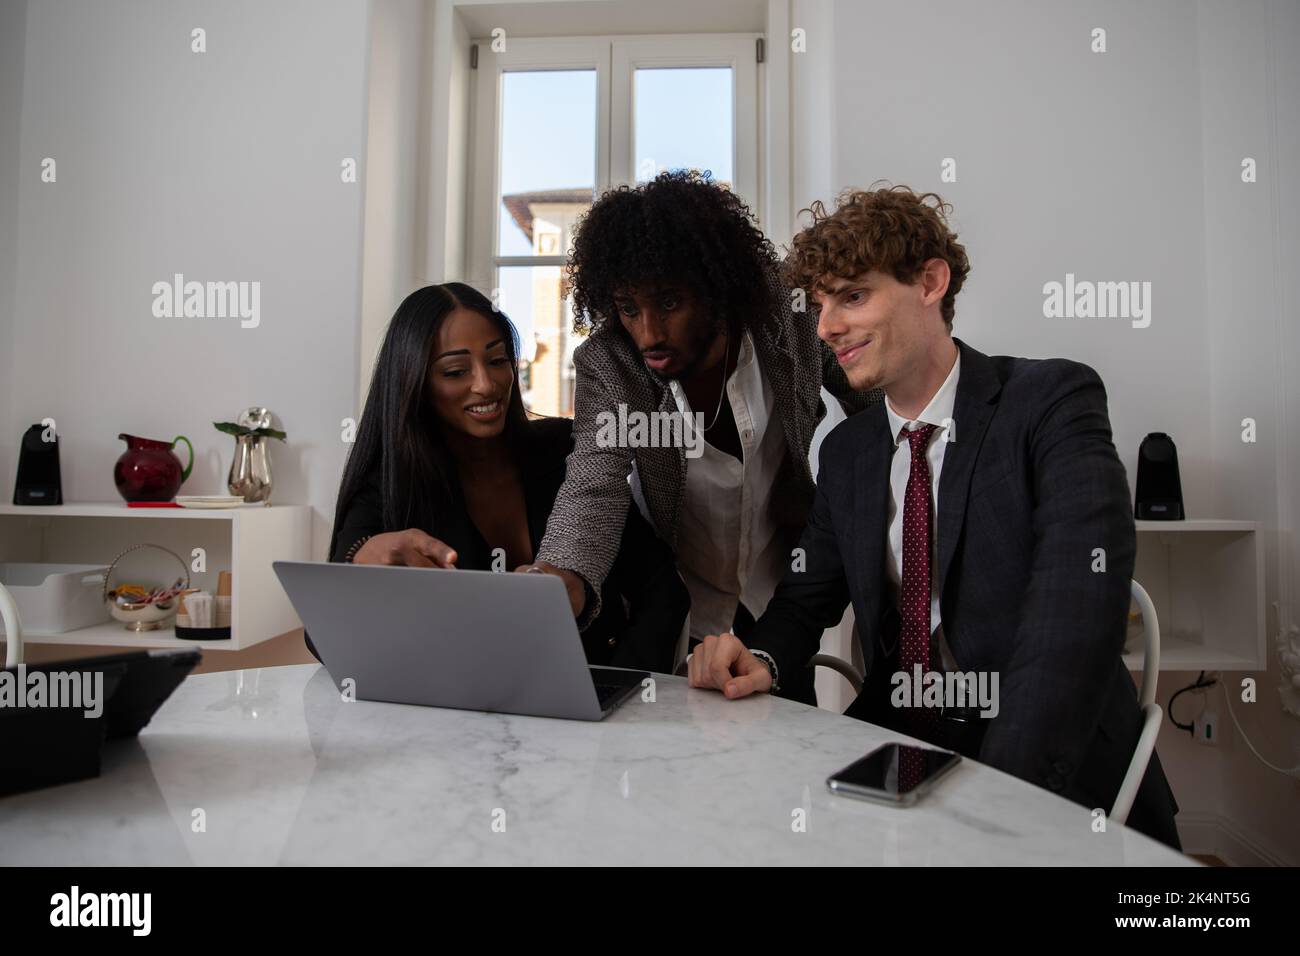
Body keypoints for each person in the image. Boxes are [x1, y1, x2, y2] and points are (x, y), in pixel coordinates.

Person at [687, 185, 1181, 849]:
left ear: (930, 282)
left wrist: (1001, 800)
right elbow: (808, 597)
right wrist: (764, 656)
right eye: (821, 304)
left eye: (852, 296)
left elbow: (1076, 609)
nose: (826, 326)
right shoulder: (848, 452)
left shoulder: (1051, 401)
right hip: (899, 745)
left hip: (1053, 766)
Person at [525, 170, 879, 696]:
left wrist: (873, 508)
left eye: (669, 303)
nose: (648, 332)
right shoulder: (611, 363)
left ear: (718, 289)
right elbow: (593, 487)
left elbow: (875, 399)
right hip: (677, 606)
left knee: (783, 760)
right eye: (629, 308)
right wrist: (558, 581)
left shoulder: (792, 319)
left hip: (781, 602)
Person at [315, 282, 688, 673]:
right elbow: (322, 631)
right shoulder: (390, 483)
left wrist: (621, 687)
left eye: (497, 361)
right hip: (464, 715)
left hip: (596, 699)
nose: (486, 384)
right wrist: (360, 561)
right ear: (414, 382)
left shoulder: (565, 451)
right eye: (456, 370)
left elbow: (663, 589)